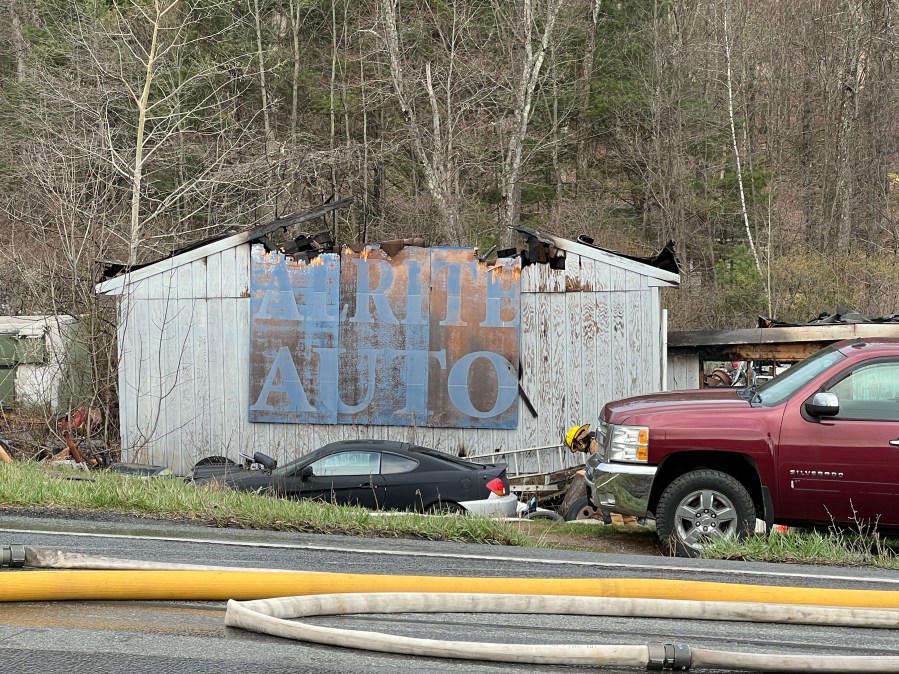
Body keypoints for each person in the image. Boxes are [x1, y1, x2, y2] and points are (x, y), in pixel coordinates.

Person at [564, 423, 638, 526]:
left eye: (576, 447)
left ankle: (620, 534)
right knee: (627, 511)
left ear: (580, 442)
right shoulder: (597, 441)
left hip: (613, 480)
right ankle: (632, 532)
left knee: (615, 510)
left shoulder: (596, 446)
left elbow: (602, 467)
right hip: (622, 477)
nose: (579, 450)